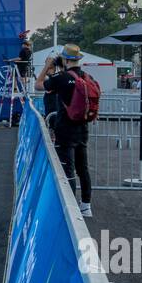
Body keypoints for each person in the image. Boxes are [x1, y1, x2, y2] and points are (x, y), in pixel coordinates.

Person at [48, 44, 95, 216]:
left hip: (65, 129)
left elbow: (40, 85)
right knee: (83, 168)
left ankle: (70, 207)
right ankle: (86, 206)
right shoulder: (87, 77)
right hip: (82, 128)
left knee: (68, 169)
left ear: (65, 59)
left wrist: (48, 66)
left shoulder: (61, 77)